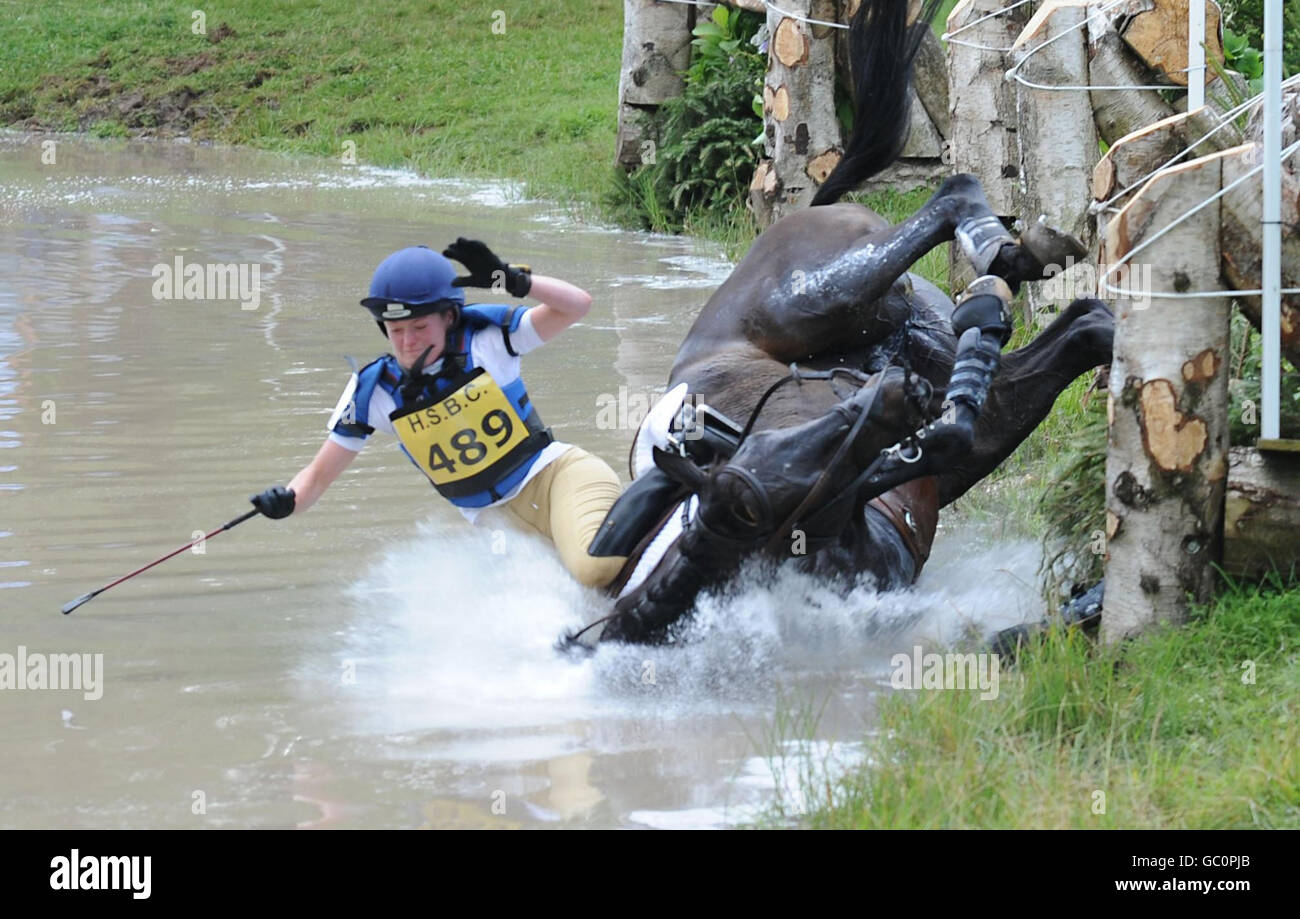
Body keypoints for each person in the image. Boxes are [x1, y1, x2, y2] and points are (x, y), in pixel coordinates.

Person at [249, 239, 627, 589]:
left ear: (449, 318)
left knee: (593, 570)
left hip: (560, 479)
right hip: (497, 527)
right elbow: (315, 480)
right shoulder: (375, 393)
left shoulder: (489, 340)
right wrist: (286, 502)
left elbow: (577, 305)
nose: (408, 342)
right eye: (396, 330)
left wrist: (513, 279)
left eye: (419, 326)